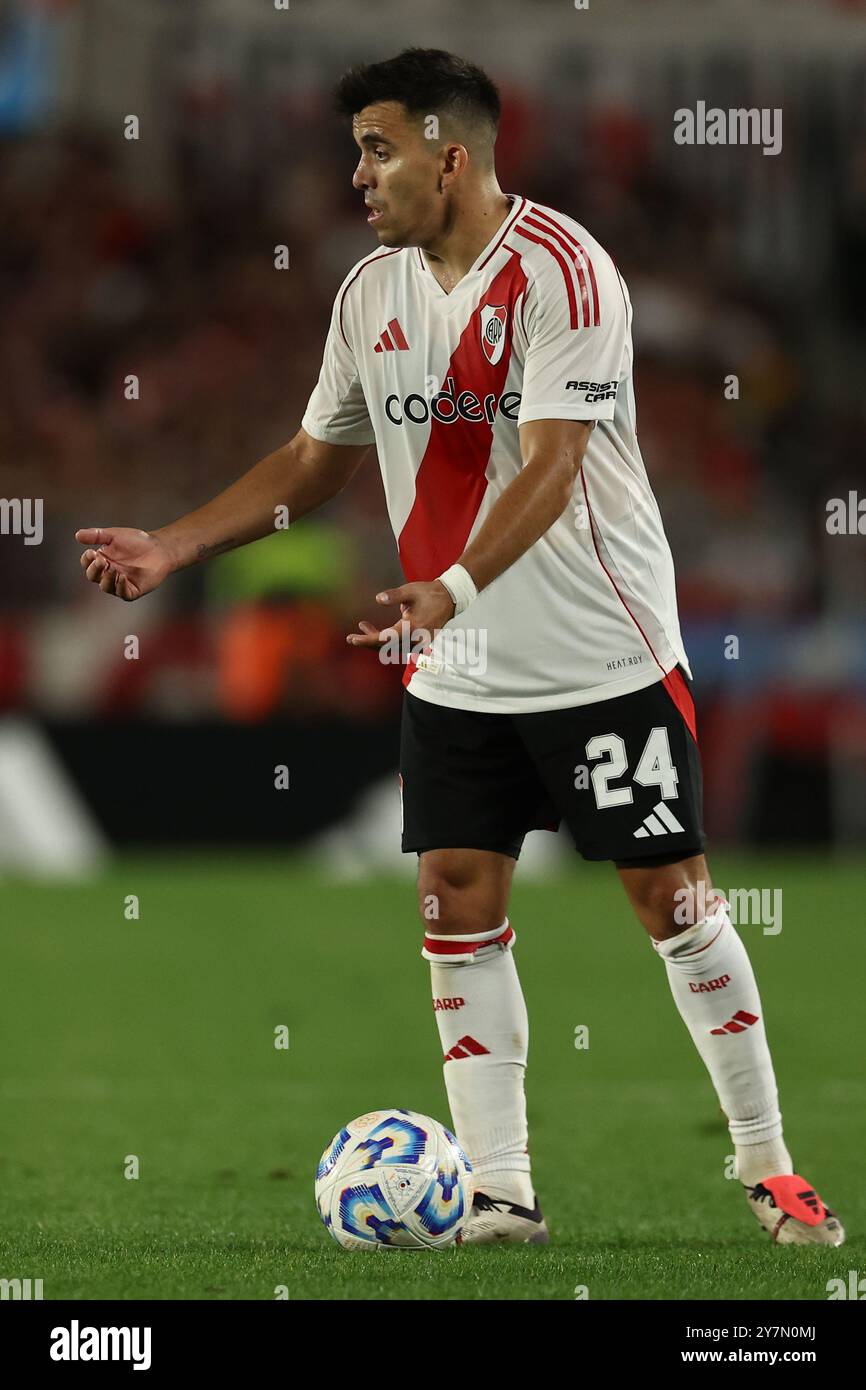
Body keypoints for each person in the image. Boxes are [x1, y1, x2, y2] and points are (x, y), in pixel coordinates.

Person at [76, 47, 843, 1248]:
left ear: (451, 155)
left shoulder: (564, 274)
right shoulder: (366, 294)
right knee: (454, 896)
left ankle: (765, 1163)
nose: (357, 177)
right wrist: (173, 548)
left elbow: (553, 462)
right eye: (355, 152)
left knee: (670, 899)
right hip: (458, 670)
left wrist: (449, 583)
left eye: (376, 150)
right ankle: (498, 1190)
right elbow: (314, 460)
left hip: (601, 657)